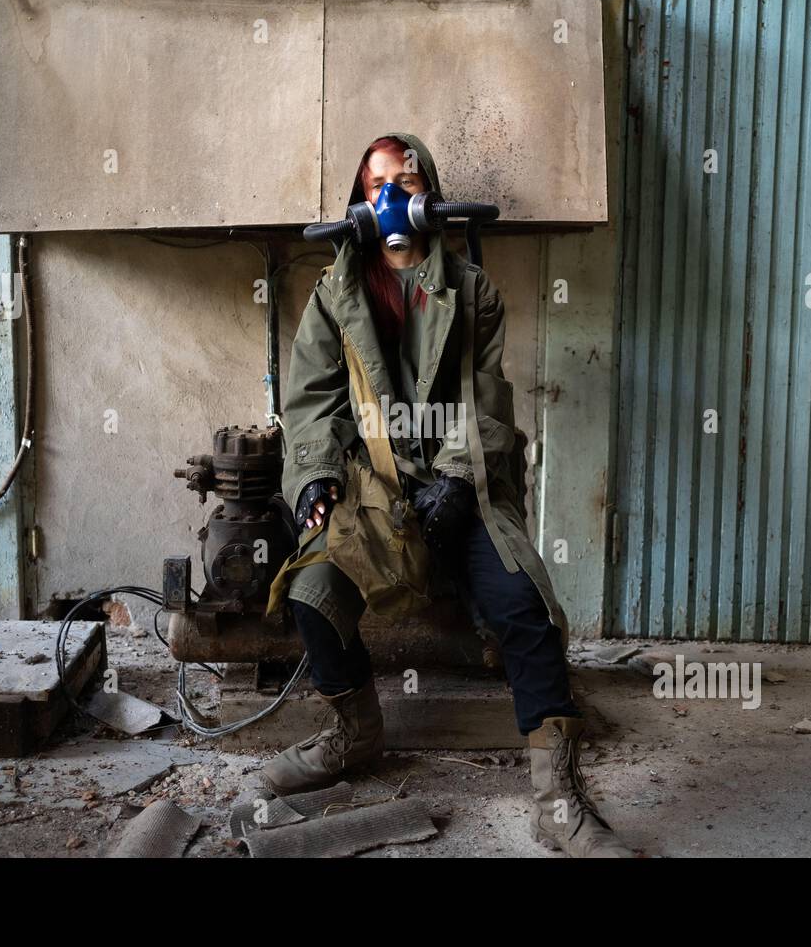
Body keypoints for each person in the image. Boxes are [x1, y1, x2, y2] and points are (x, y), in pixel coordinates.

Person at [266, 132, 631, 857]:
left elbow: (487, 404)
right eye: (375, 186)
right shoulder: (335, 295)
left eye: (404, 180)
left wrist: (462, 482)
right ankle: (356, 732)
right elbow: (310, 401)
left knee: (524, 605)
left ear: (430, 190)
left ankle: (555, 800)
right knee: (310, 591)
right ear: (356, 203)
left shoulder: (473, 291)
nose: (391, 198)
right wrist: (315, 474)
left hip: (463, 485)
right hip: (371, 489)